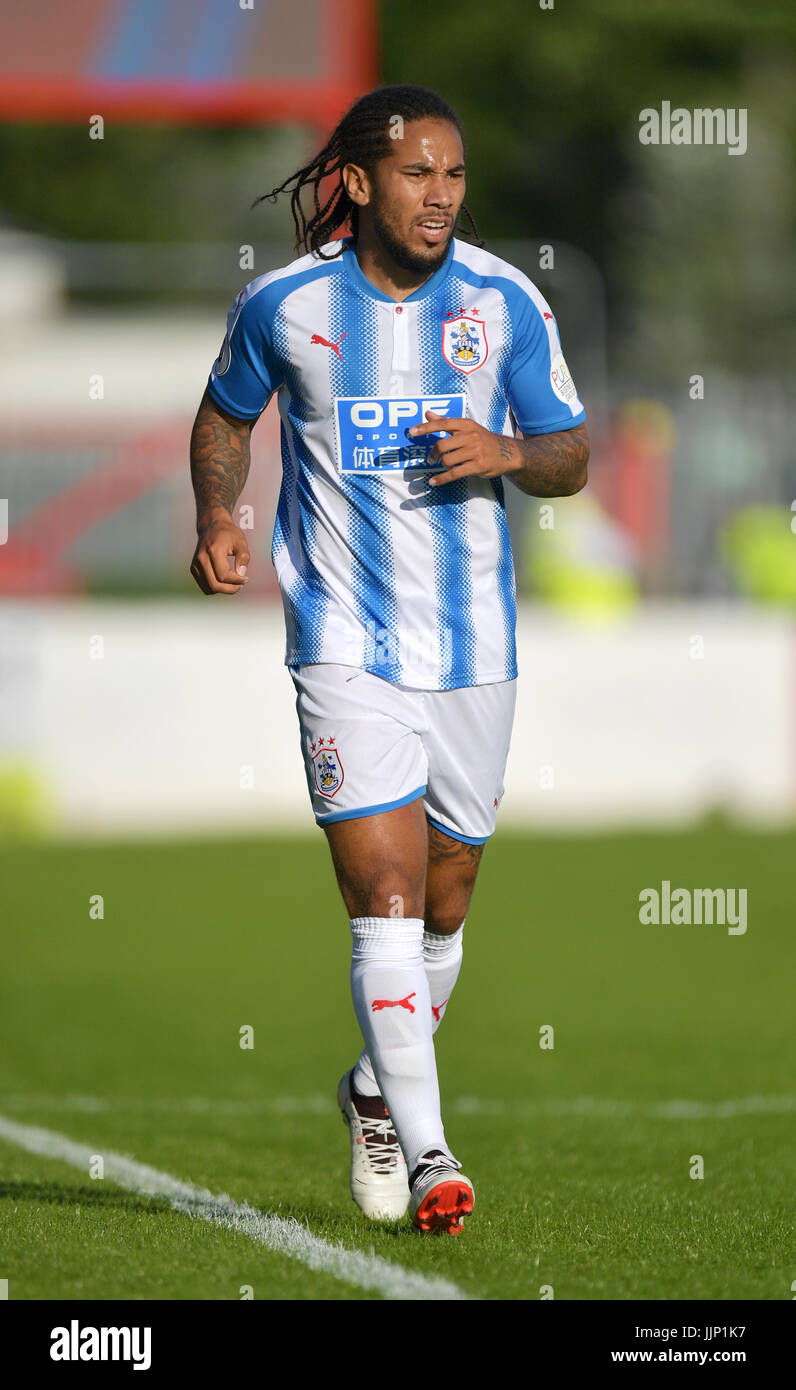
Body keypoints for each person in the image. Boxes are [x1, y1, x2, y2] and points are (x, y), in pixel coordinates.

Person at [189, 83, 589, 1235]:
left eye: (454, 175)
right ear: (359, 183)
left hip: (474, 651)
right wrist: (222, 514)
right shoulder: (285, 304)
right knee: (386, 891)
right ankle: (429, 1154)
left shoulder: (505, 300)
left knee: (448, 902)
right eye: (418, 173)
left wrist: (505, 449)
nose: (441, 196)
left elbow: (569, 453)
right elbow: (224, 415)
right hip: (341, 647)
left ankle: (371, 1086)